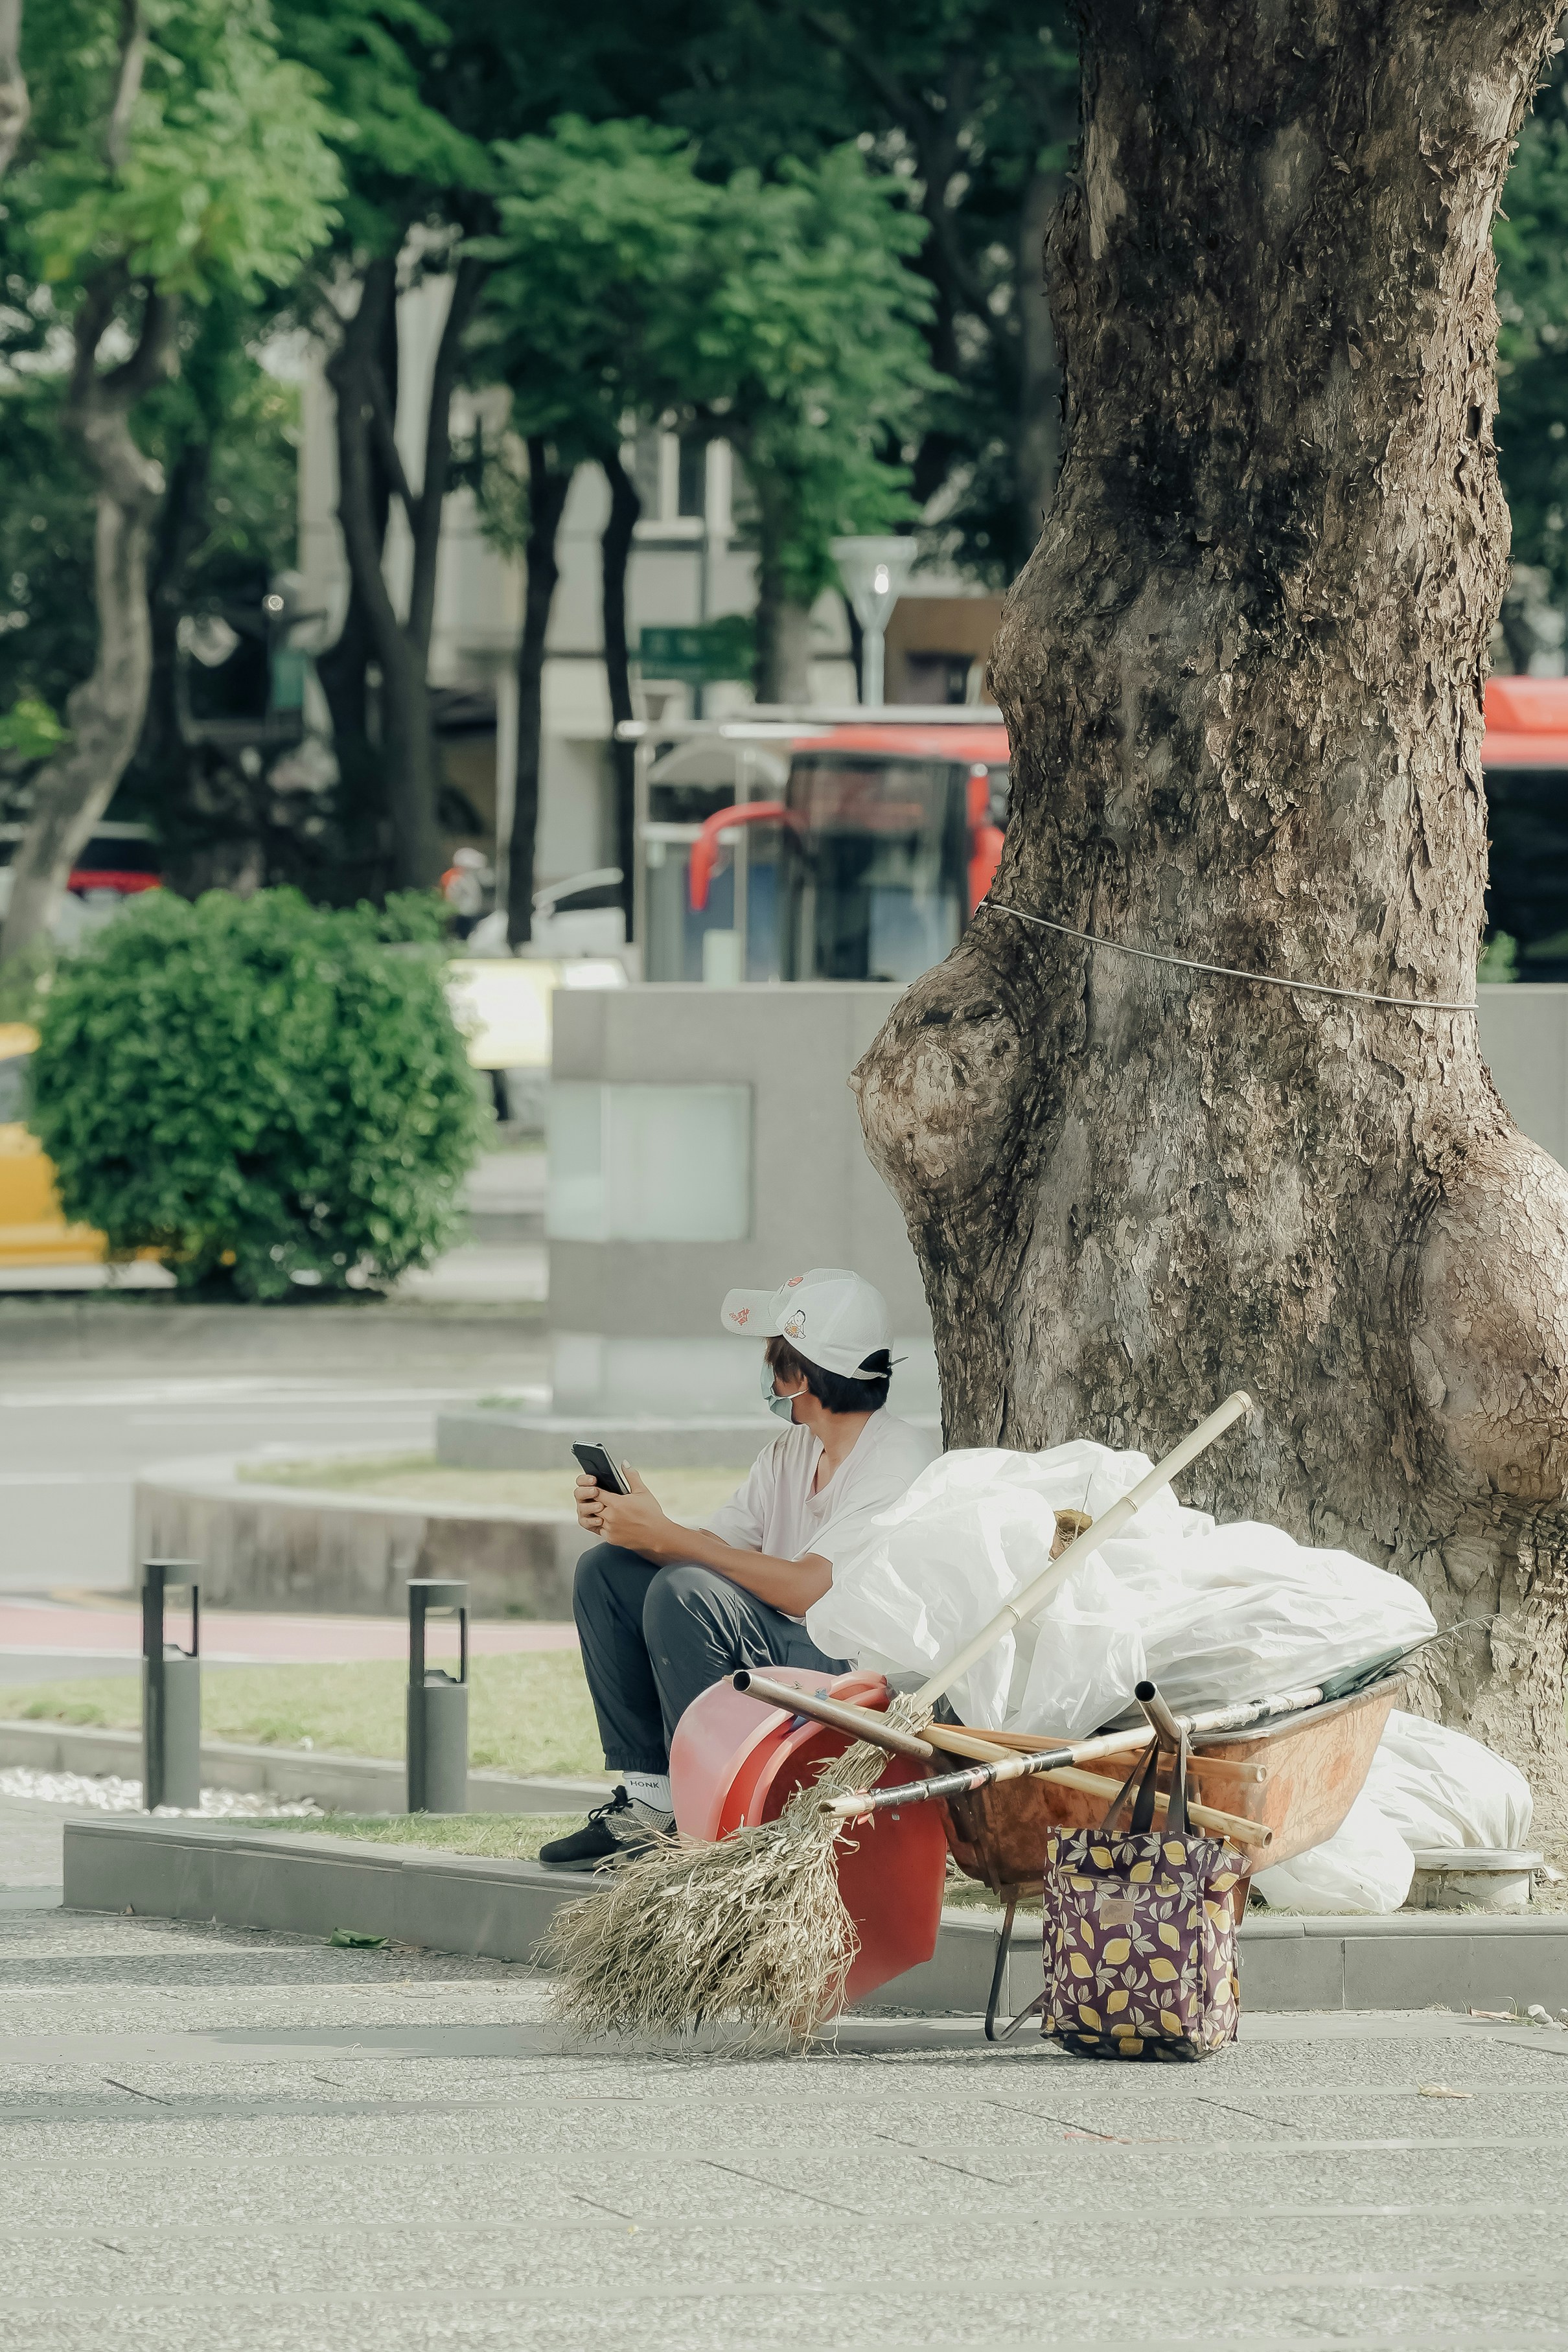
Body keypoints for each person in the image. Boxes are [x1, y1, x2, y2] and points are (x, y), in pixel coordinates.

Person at [539, 1268, 937, 1869]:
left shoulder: (895, 1460)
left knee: (686, 1591)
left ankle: (712, 1818)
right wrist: (641, 1526)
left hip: (854, 1679)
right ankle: (652, 1805)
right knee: (609, 1573)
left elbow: (810, 1590)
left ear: (798, 1373)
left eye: (770, 1355)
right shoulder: (792, 1451)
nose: (764, 1373)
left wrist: (669, 1538)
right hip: (784, 1643)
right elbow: (716, 1544)